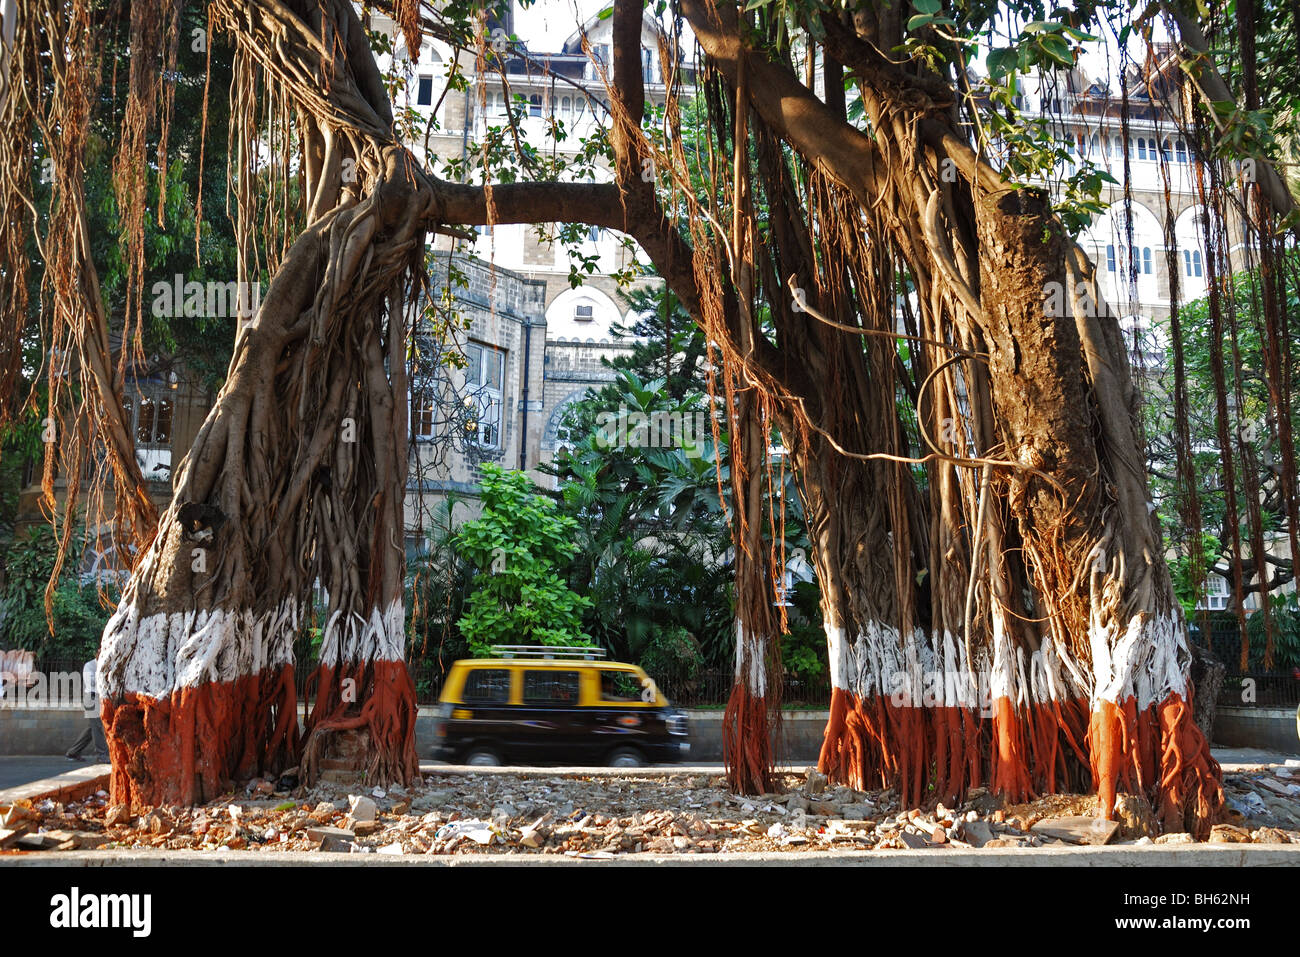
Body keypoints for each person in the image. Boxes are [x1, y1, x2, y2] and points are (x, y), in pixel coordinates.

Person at [65, 658, 108, 763]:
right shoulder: (89, 665)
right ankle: (102, 755)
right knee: (97, 726)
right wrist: (103, 675)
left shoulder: (106, 665)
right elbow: (91, 683)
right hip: (91, 697)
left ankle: (73, 752)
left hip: (100, 698)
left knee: (92, 728)